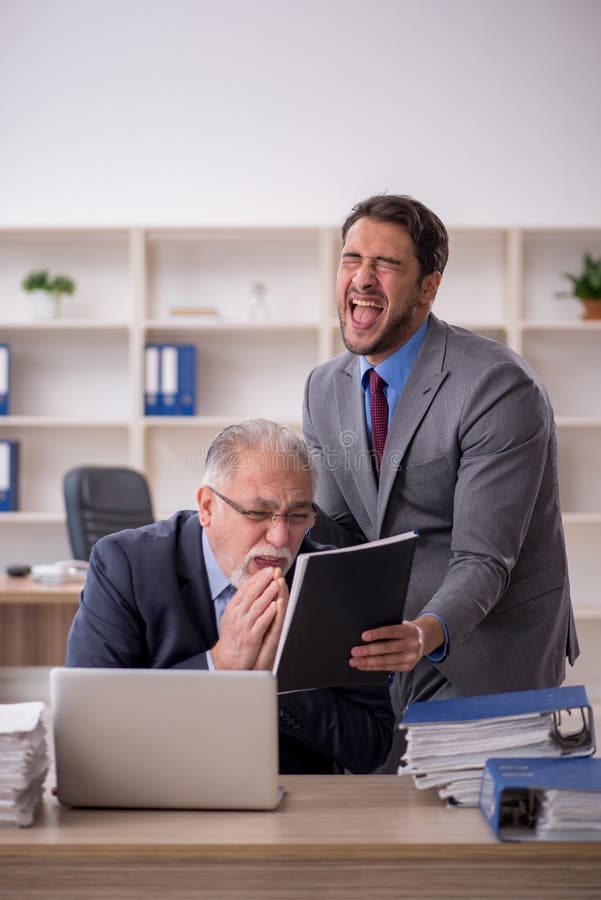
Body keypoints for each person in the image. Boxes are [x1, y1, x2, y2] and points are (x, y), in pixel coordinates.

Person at [303, 193, 579, 754]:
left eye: (386, 264)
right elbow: (340, 534)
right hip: (384, 647)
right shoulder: (323, 387)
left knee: (457, 822)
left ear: (428, 287)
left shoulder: (496, 386)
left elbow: (483, 559)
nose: (362, 278)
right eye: (352, 258)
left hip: (489, 648)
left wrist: (421, 634)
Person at [66, 418, 394, 775]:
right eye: (258, 513)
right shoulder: (124, 565)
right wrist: (219, 665)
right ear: (207, 507)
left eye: (299, 515)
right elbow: (91, 720)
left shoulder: (338, 578)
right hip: (163, 790)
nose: (281, 538)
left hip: (296, 808)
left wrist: (275, 682)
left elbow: (370, 747)